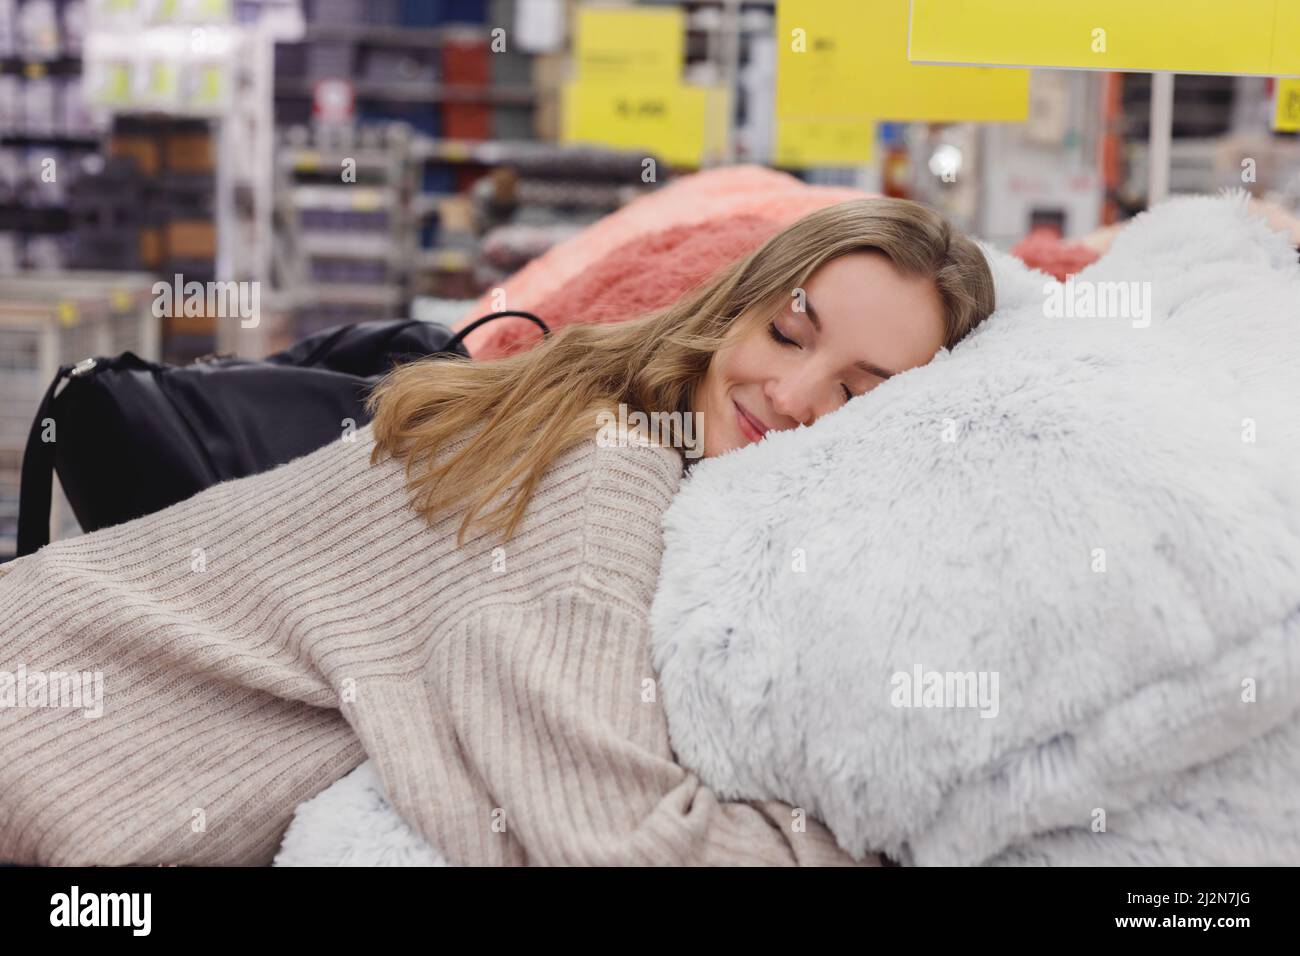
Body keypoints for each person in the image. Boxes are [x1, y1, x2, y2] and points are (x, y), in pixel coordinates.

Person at [0, 197, 994, 866]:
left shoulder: (582, 406)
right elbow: (619, 838)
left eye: (857, 394)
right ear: (734, 310)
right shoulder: (600, 472)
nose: (790, 392)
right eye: (787, 332)